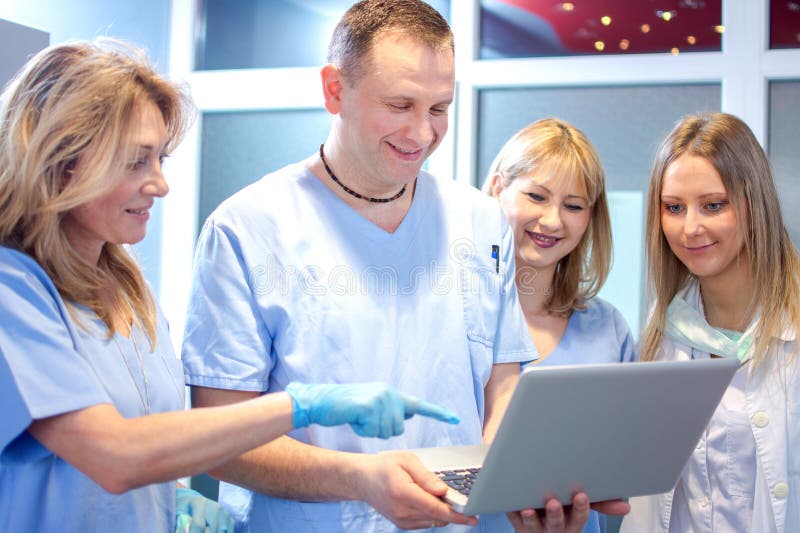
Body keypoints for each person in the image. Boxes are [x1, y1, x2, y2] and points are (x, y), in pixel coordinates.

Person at [181, 1, 631, 532]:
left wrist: (516, 485)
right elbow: (218, 440)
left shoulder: (480, 223)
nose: (422, 133)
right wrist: (360, 479)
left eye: (440, 108)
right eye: (400, 105)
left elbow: (503, 387)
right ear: (334, 90)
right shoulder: (247, 230)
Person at [0, 39, 460, 533]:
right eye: (135, 161)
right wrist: (303, 405)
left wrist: (173, 497)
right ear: (58, 159)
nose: (160, 184)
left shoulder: (127, 290)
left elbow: (150, 438)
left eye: (160, 159)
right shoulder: (13, 294)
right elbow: (114, 455)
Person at [620, 112, 800, 532]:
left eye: (713, 205)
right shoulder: (663, 334)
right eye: (674, 208)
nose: (691, 228)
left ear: (754, 205)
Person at [483, 118, 636, 532]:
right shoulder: (456, 318)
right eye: (536, 196)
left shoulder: (608, 330)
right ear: (497, 189)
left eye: (573, 206)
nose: (552, 221)